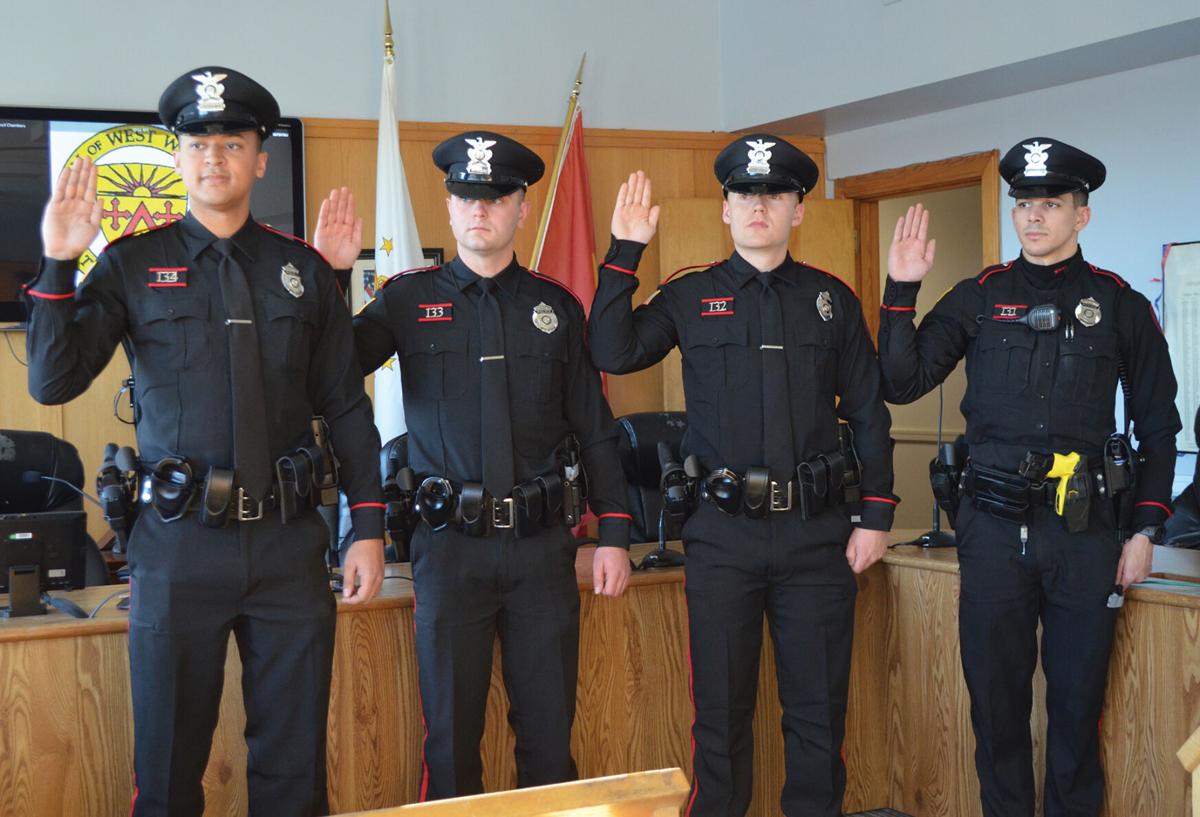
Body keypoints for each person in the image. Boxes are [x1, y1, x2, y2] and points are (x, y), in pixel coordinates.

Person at [25, 66, 385, 817]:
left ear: (260, 158)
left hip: (290, 546)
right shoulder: (130, 264)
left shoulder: (303, 272)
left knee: (294, 771)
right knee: (165, 769)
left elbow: (347, 405)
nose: (213, 156)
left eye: (232, 141)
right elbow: (52, 383)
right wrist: (61, 258)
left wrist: (370, 527)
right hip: (178, 547)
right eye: (197, 143)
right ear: (178, 159)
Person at [315, 130, 632, 799]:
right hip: (449, 551)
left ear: (521, 206)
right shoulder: (406, 299)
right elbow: (329, 371)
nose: (479, 209)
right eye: (465, 195)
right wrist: (328, 278)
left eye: (495, 196)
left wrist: (616, 532)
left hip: (541, 550)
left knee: (549, 739)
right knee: (451, 744)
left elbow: (596, 430)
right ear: (450, 206)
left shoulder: (555, 307)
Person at [587, 135, 897, 817]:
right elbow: (611, 347)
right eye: (745, 194)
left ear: (797, 210)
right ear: (726, 210)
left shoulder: (830, 300)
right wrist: (624, 252)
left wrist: (876, 514)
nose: (759, 205)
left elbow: (870, 413)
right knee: (720, 726)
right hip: (722, 538)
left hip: (818, 538)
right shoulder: (692, 295)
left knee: (818, 723)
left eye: (774, 194)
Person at [878, 137, 1180, 817]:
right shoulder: (980, 297)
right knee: (997, 713)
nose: (1034, 217)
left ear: (1082, 215)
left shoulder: (1120, 305)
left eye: (1051, 203)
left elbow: (1159, 426)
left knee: (1076, 717)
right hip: (992, 530)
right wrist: (901, 288)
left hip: (1084, 536)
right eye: (1024, 204)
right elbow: (901, 381)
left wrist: (1145, 527)